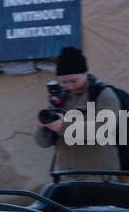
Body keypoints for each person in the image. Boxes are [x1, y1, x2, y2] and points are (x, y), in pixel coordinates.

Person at [34, 45, 124, 177]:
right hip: (66, 177)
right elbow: (42, 143)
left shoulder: (103, 95)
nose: (69, 85)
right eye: (64, 82)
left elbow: (104, 130)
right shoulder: (60, 98)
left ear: (85, 74)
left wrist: (63, 125)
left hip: (99, 178)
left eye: (73, 81)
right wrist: (43, 127)